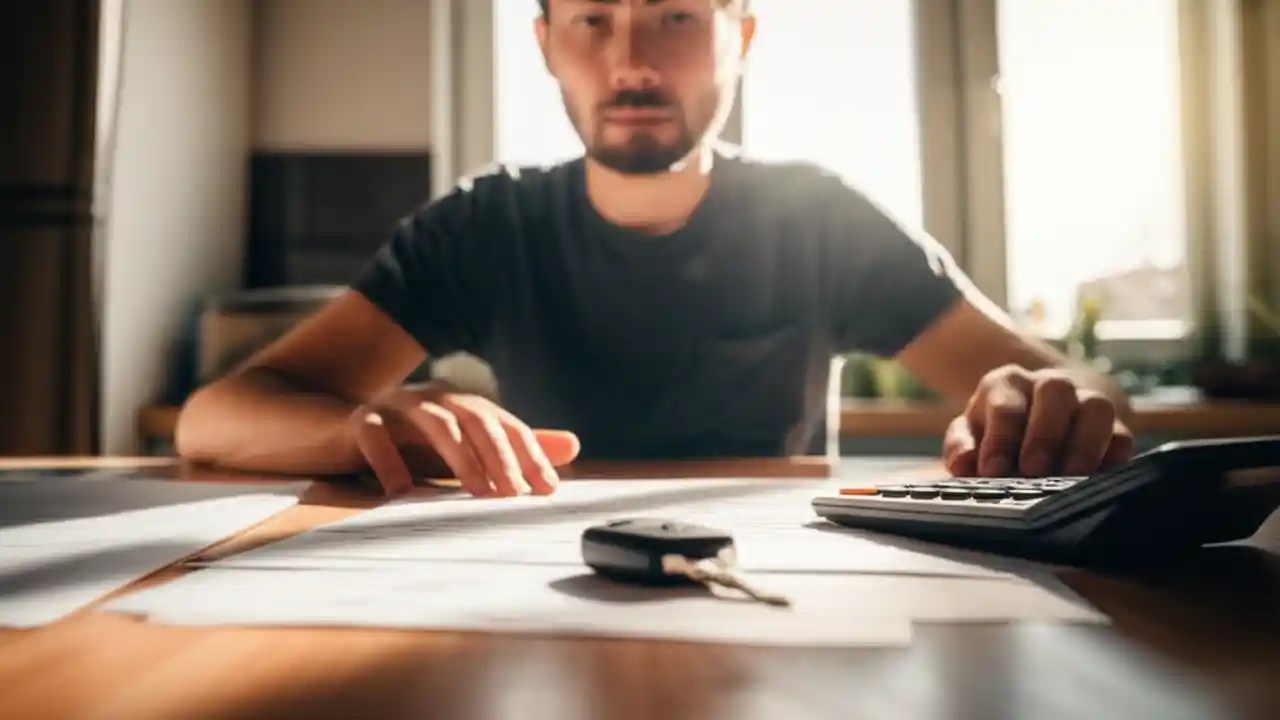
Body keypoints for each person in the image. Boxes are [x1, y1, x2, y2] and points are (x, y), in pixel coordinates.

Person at [176, 0, 1134, 498]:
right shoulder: (484, 226)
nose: (631, 61)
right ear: (548, 44)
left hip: (781, 595)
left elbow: (1082, 394)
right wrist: (366, 427)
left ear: (739, 38)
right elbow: (214, 420)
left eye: (675, 17)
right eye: (594, 21)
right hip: (523, 590)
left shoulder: (817, 217)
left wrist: (1048, 405)